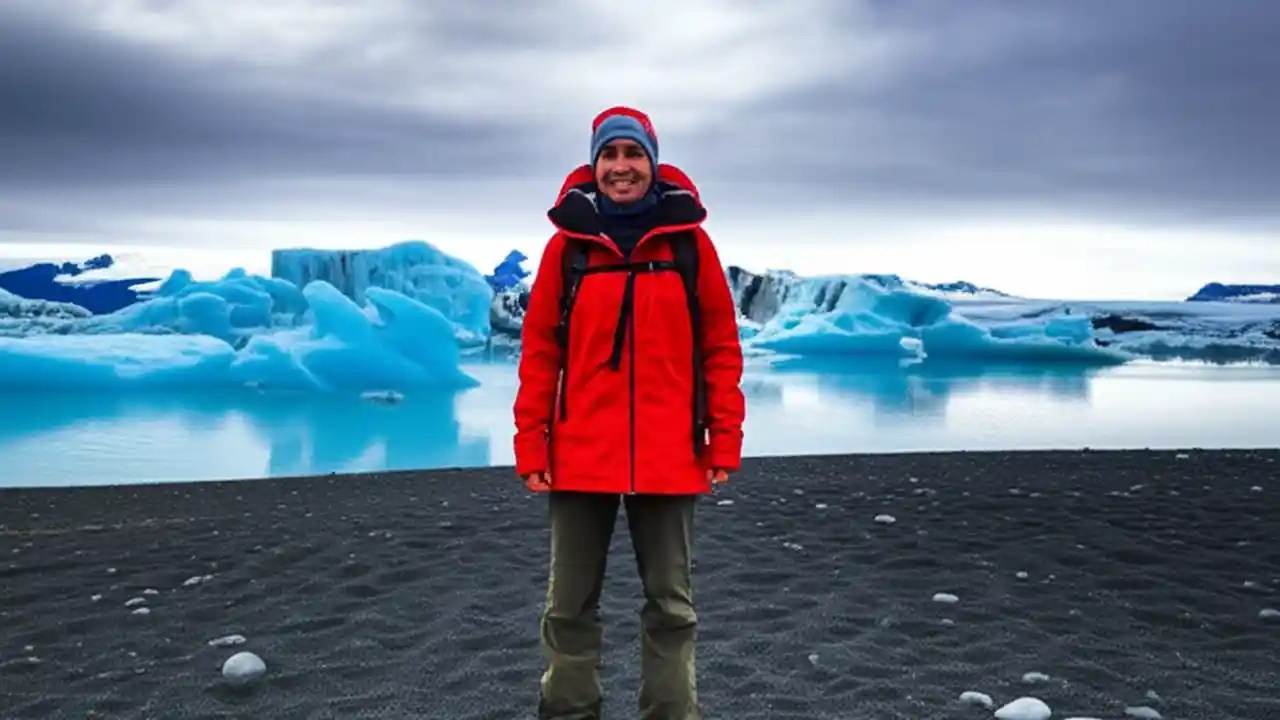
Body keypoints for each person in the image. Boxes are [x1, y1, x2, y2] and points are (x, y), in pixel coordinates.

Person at [512, 106, 746, 719]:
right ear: (594, 165)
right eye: (610, 155)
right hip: (580, 453)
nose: (622, 167)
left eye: (633, 154)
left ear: (652, 161)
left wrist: (724, 438)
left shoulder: (689, 245)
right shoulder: (568, 249)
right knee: (568, 607)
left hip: (671, 453)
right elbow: (540, 352)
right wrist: (531, 442)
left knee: (671, 607)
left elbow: (720, 347)